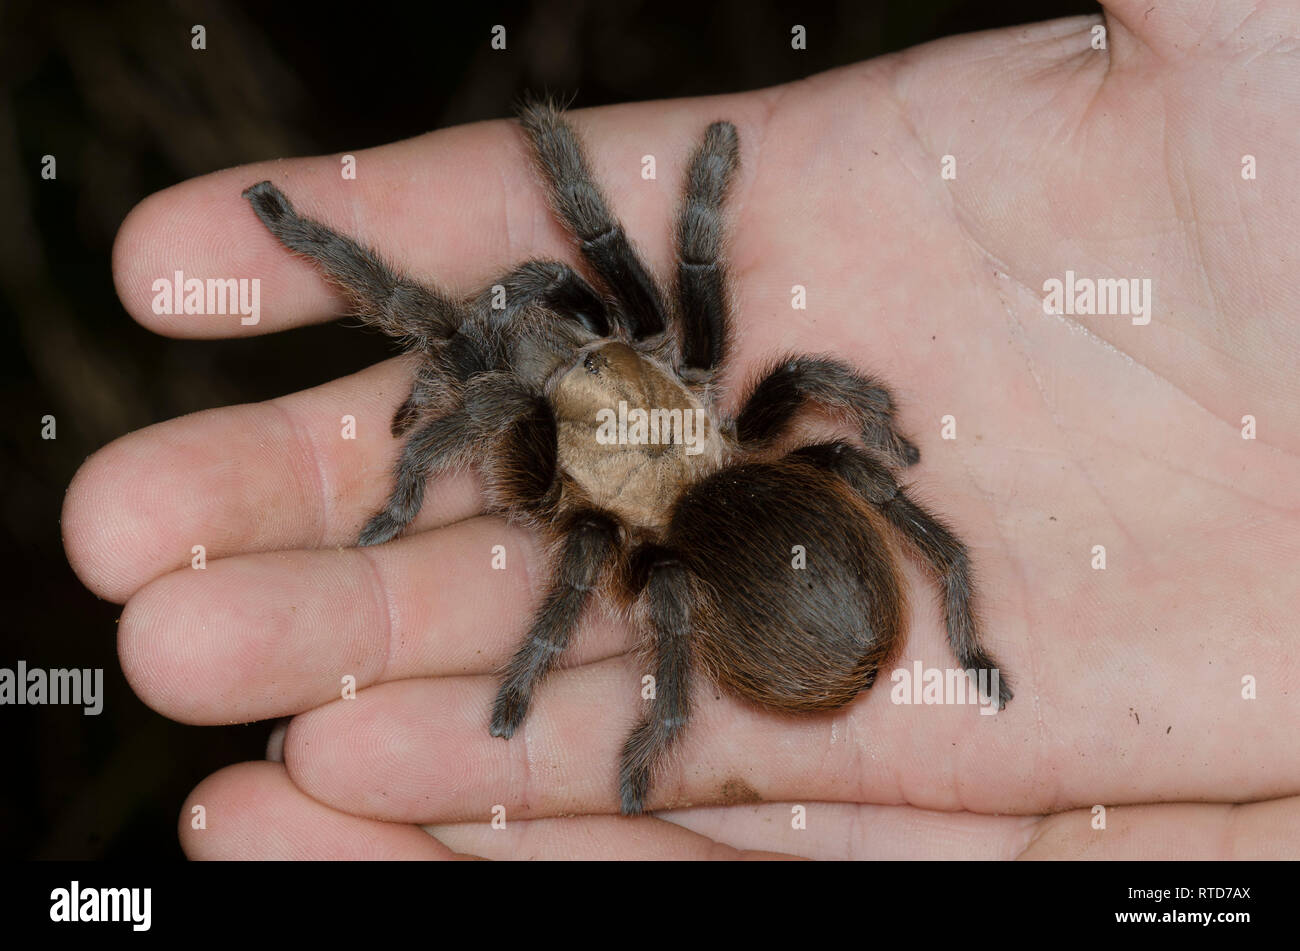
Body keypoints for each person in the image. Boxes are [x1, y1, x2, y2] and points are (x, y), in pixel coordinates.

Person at [63, 2, 1300, 858]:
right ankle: (948, 623)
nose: (562, 314)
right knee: (794, 423)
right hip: (709, 487)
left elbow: (498, 385)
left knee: (511, 381)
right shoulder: (683, 383)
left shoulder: (594, 485)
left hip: (701, 518)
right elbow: (781, 368)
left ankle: (899, 634)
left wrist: (512, 623)